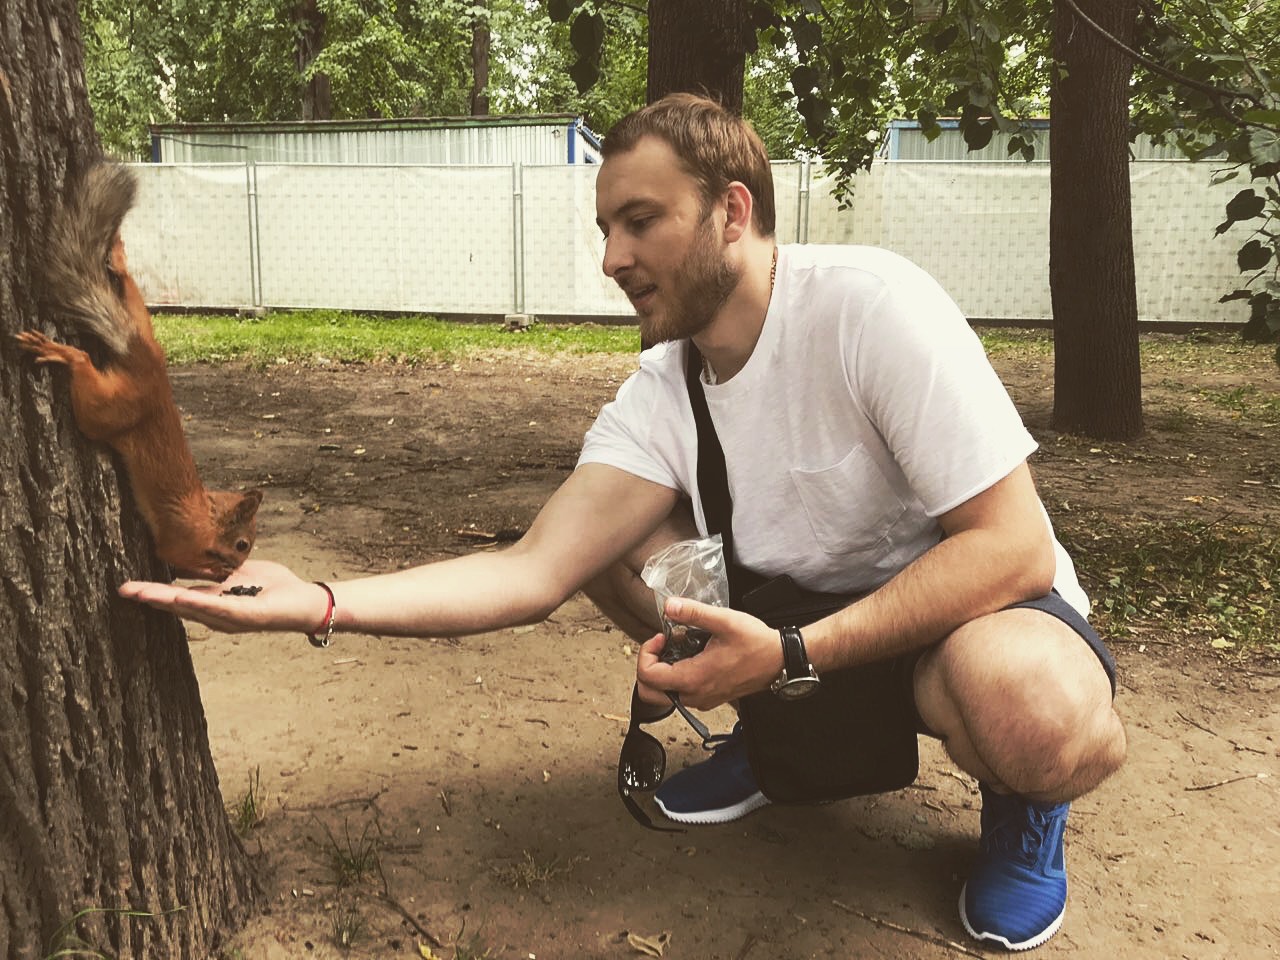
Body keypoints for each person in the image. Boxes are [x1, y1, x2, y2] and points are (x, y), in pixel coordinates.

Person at [120, 93, 1126, 952]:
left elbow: (1010, 545)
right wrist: (320, 602)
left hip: (947, 625)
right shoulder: (662, 385)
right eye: (605, 227)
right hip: (791, 629)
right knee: (617, 551)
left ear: (731, 212)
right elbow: (532, 569)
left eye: (639, 221)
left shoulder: (870, 309)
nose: (610, 257)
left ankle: (1023, 805)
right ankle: (775, 742)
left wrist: (786, 650)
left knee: (1028, 710)